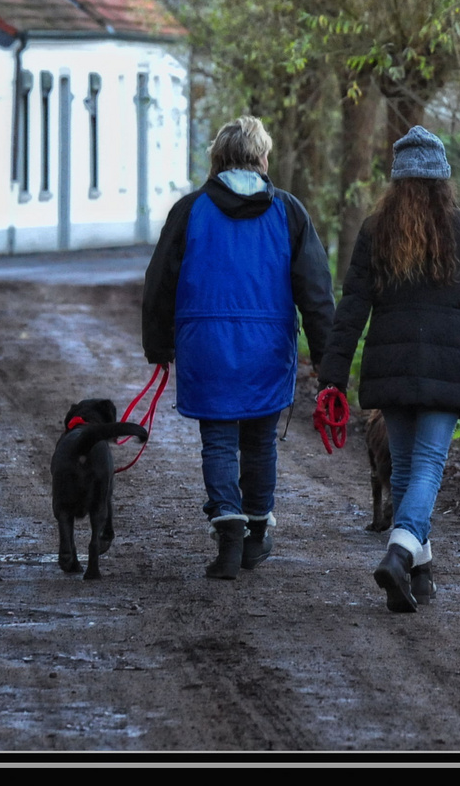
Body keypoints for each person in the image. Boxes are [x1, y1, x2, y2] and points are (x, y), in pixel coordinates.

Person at [142, 116, 336, 580]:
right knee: (259, 440)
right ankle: (254, 533)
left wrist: (158, 345)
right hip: (266, 347)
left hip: (205, 343)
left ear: (217, 159)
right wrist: (330, 364)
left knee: (219, 439)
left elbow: (159, 285)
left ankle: (227, 524)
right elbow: (315, 292)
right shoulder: (288, 212)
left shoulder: (190, 210)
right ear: (263, 158)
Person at [318, 125, 460, 613]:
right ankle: (400, 556)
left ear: (395, 183)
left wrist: (332, 372)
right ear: (444, 181)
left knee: (404, 470)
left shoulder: (377, 231)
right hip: (448, 365)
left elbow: (352, 305)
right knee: (427, 468)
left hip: (391, 366)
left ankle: (420, 578)